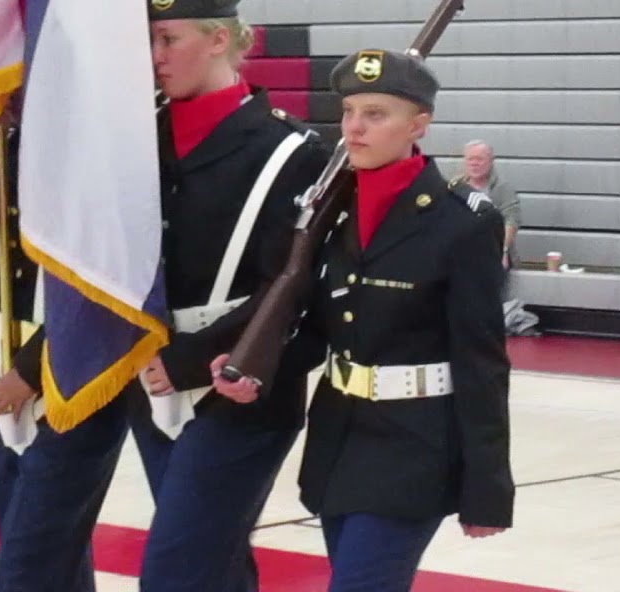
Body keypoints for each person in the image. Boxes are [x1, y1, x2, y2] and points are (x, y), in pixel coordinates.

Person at [213, 49, 514, 592]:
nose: (354, 126)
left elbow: (482, 363)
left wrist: (487, 487)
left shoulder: (462, 226)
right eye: (349, 111)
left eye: (376, 113)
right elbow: (323, 329)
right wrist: (255, 363)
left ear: (418, 124)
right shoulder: (331, 212)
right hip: (341, 437)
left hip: (414, 447)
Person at [131, 0, 331, 592]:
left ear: (219, 40)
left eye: (170, 39)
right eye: (151, 41)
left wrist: (189, 359)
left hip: (242, 383)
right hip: (152, 379)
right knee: (213, 566)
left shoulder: (290, 148)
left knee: (175, 570)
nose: (156, 57)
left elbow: (288, 287)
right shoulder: (138, 138)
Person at [0, 120, 104, 592]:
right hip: (4, 373)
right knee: (51, 559)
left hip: (68, 375)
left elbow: (98, 275)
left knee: (24, 567)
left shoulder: (85, 145)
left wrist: (32, 368)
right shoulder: (2, 143)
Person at [458, 140, 521, 271]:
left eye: (479, 159)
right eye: (470, 159)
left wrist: (503, 251)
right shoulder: (456, 187)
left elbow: (512, 220)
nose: (474, 163)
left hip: (493, 256)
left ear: (491, 161)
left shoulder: (502, 188)